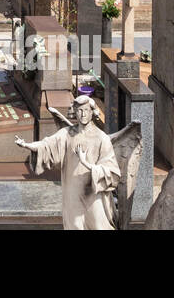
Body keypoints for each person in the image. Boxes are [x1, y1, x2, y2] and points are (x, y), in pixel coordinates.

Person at [15, 95, 120, 230]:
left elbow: (112, 172)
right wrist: (26, 145)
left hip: (93, 193)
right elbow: (46, 146)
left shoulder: (102, 138)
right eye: (79, 110)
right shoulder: (66, 134)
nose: (83, 114)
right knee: (75, 225)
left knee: (98, 225)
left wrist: (86, 164)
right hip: (73, 191)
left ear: (92, 112)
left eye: (86, 110)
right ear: (75, 112)